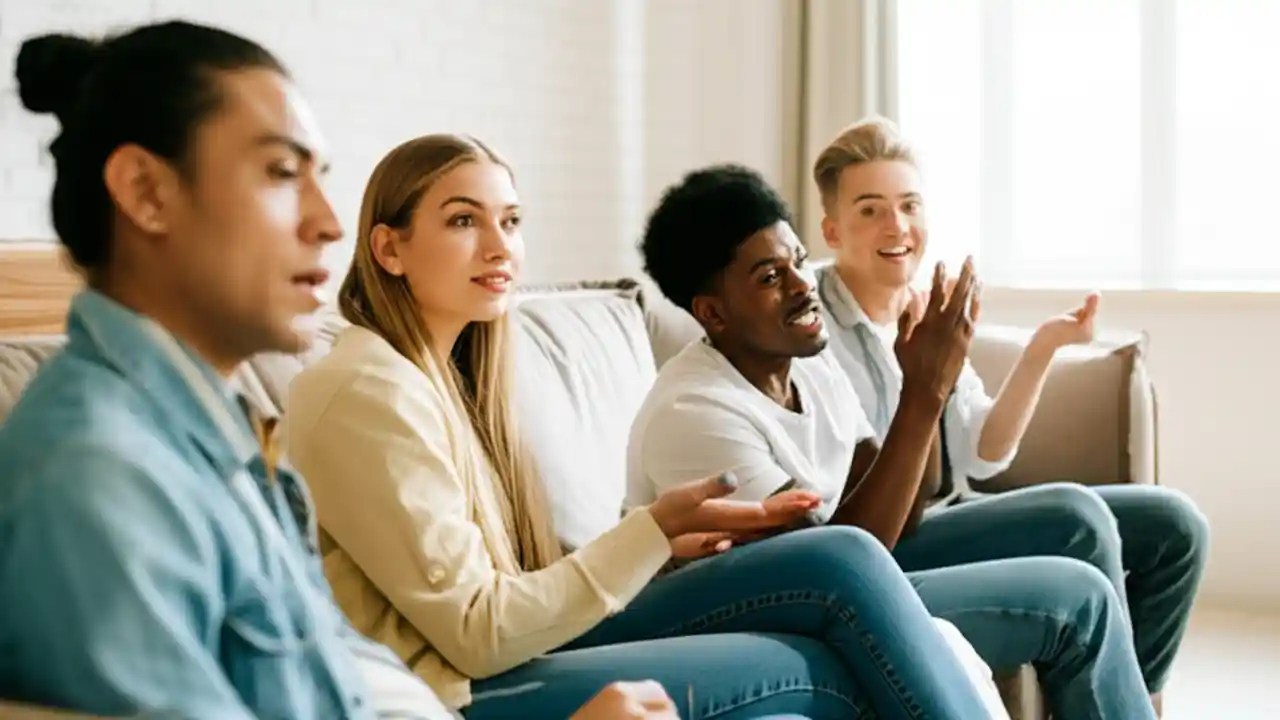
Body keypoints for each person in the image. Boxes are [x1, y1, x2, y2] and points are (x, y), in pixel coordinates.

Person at [0, 22, 684, 720]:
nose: (330, 223)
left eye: (318, 179)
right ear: (147, 193)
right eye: (279, 173)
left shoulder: (222, 439)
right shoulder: (99, 476)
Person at [284, 133, 1012, 720]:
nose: (501, 247)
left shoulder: (449, 379)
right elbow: (478, 633)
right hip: (462, 695)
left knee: (829, 614)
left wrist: (659, 548)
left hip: (510, 658)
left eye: (510, 221)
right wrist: (651, 532)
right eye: (463, 220)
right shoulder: (365, 391)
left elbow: (510, 587)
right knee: (835, 579)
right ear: (388, 248)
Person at [627, 163, 1160, 720]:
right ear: (712, 313)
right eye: (769, 277)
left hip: (851, 561)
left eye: (799, 263)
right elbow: (832, 572)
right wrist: (922, 395)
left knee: (1073, 514)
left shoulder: (805, 359)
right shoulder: (696, 411)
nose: (802, 287)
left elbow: (902, 514)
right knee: (1078, 601)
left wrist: (925, 381)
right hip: (778, 606)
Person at [810, 117, 1209, 715]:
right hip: (884, 538)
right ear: (833, 230)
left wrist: (1044, 347)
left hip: (951, 513)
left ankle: (1135, 700)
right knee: (1076, 515)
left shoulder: (923, 304)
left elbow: (982, 454)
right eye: (870, 210)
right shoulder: (809, 322)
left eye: (909, 205)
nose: (897, 226)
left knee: (1174, 525)